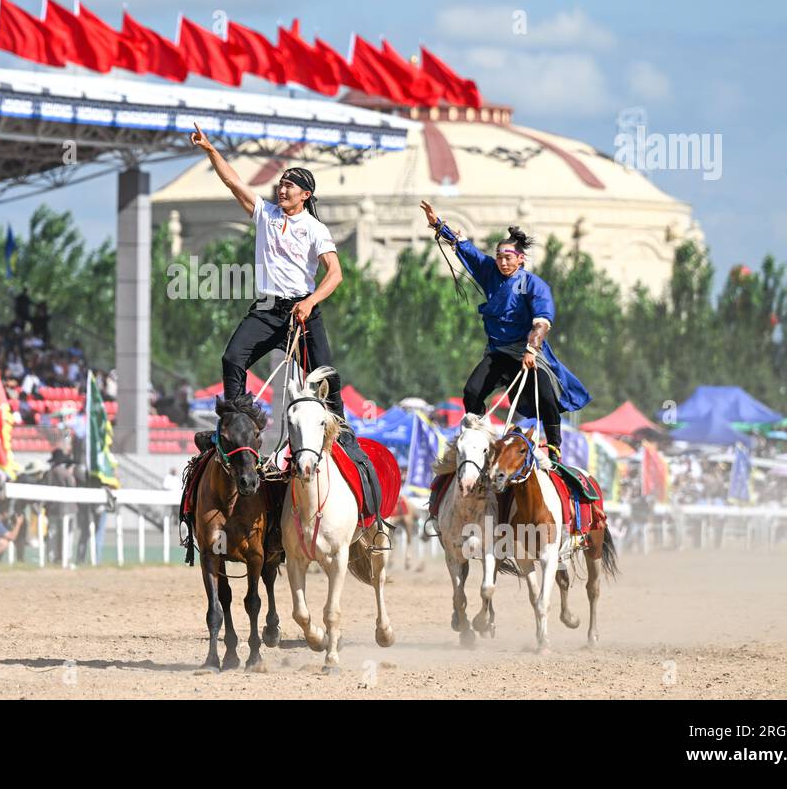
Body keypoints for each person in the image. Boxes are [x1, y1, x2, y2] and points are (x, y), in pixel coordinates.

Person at [189, 122, 381, 532]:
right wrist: (210, 150)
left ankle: (342, 436)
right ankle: (236, 423)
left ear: (305, 195)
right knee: (232, 357)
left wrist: (311, 302)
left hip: (303, 310)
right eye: (280, 184)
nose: (282, 189)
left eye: (290, 186)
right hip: (266, 309)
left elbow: (335, 274)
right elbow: (234, 183)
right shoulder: (265, 212)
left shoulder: (316, 228)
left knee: (325, 376)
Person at [423, 205, 592, 469]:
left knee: (547, 396)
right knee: (472, 392)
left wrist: (532, 348)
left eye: (508, 257)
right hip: (499, 353)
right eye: (499, 256)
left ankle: (554, 447)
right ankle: (479, 440)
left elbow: (542, 321)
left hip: (528, 353)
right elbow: (467, 250)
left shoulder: (534, 284)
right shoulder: (490, 272)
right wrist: (438, 225)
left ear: (521, 258)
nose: (503, 261)